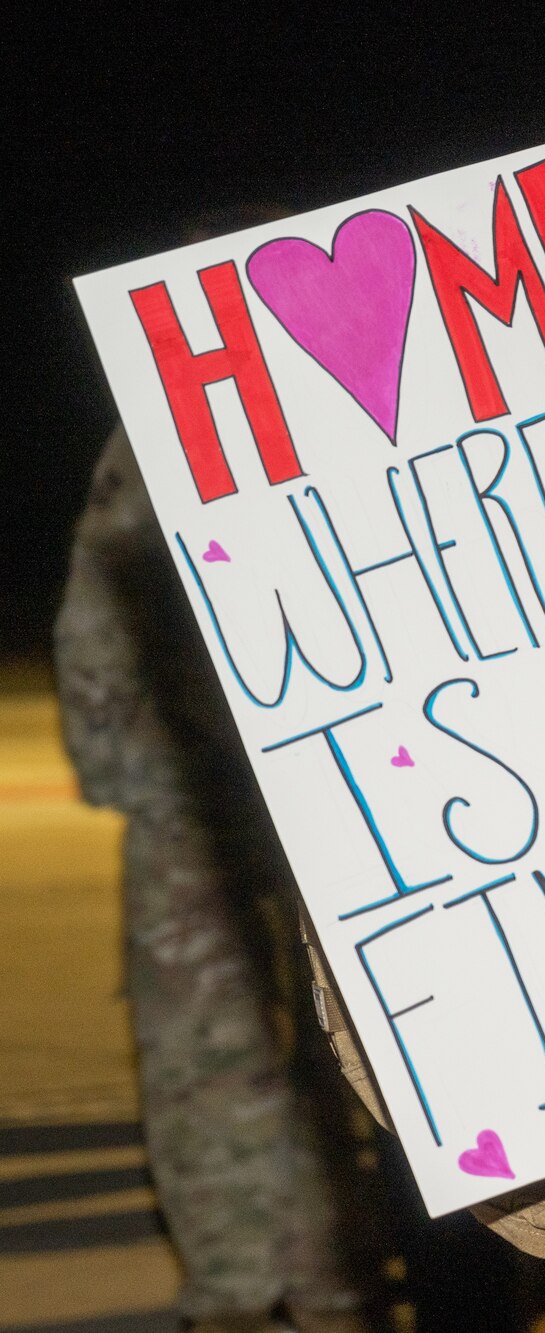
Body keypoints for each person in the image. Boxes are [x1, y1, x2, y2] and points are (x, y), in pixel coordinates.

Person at [55, 428, 368, 1333]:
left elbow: (96, 615)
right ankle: (325, 1275)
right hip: (318, 790)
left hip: (209, 798)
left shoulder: (174, 413)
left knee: (217, 1053)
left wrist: (131, 776)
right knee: (322, 1052)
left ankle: (264, 1281)